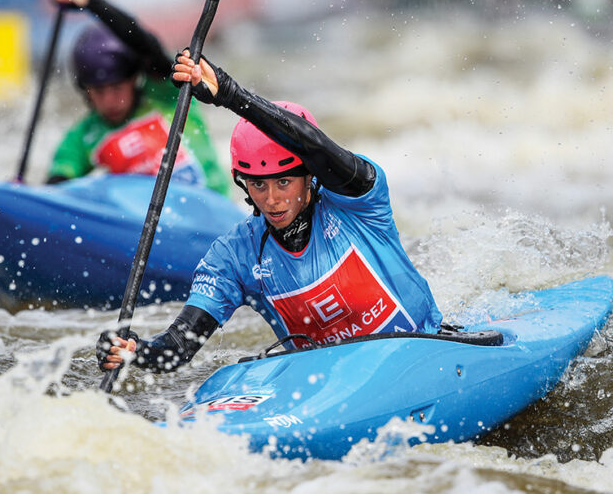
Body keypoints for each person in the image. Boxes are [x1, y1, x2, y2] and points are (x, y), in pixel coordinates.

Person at [97, 50, 442, 374]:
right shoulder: (235, 255)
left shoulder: (359, 199)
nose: (272, 199)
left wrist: (230, 95)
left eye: (284, 182)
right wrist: (135, 351)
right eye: (258, 185)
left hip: (425, 350)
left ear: (310, 174)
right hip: (334, 382)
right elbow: (179, 346)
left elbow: (316, 146)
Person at [47, 0, 229, 196]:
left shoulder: (168, 94)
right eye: (99, 92)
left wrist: (91, 3)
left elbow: (145, 45)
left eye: (116, 88)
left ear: (134, 79)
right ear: (86, 91)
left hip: (212, 207)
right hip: (147, 220)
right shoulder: (85, 136)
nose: (109, 101)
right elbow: (57, 188)